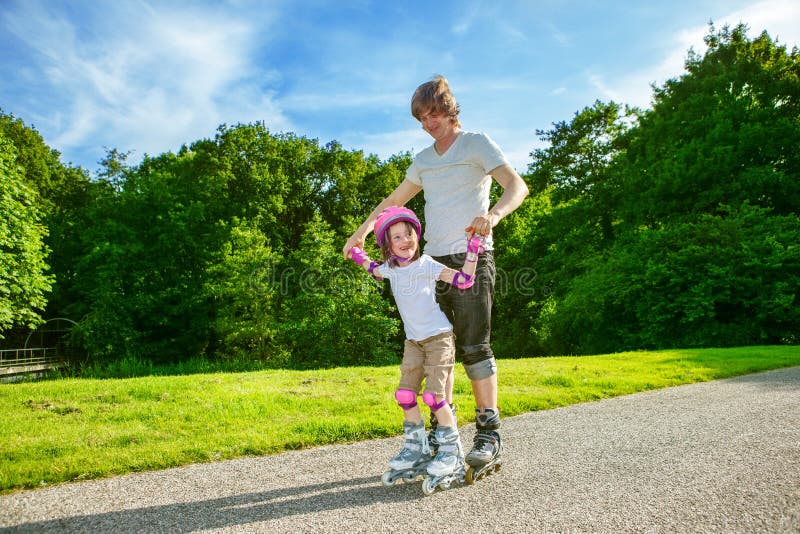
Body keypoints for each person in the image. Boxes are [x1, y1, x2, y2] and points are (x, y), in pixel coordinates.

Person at [343, 75, 529, 471]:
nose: (428, 124)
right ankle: (441, 434)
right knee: (432, 347)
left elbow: (517, 186)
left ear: (449, 109)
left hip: (471, 258)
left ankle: (487, 434)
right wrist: (358, 234)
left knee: (474, 347)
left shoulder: (476, 143)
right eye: (422, 118)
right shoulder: (424, 160)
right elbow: (394, 201)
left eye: (434, 115)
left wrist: (492, 216)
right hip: (429, 264)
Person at [347, 206, 484, 477]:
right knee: (405, 395)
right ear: (387, 245)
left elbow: (465, 280)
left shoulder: (427, 264)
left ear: (416, 236)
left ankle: (450, 452)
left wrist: (474, 248)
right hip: (414, 343)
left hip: (438, 339)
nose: (404, 241)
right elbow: (372, 269)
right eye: (396, 237)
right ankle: (417, 448)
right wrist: (354, 250)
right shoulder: (390, 269)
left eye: (408, 234)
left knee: (434, 397)